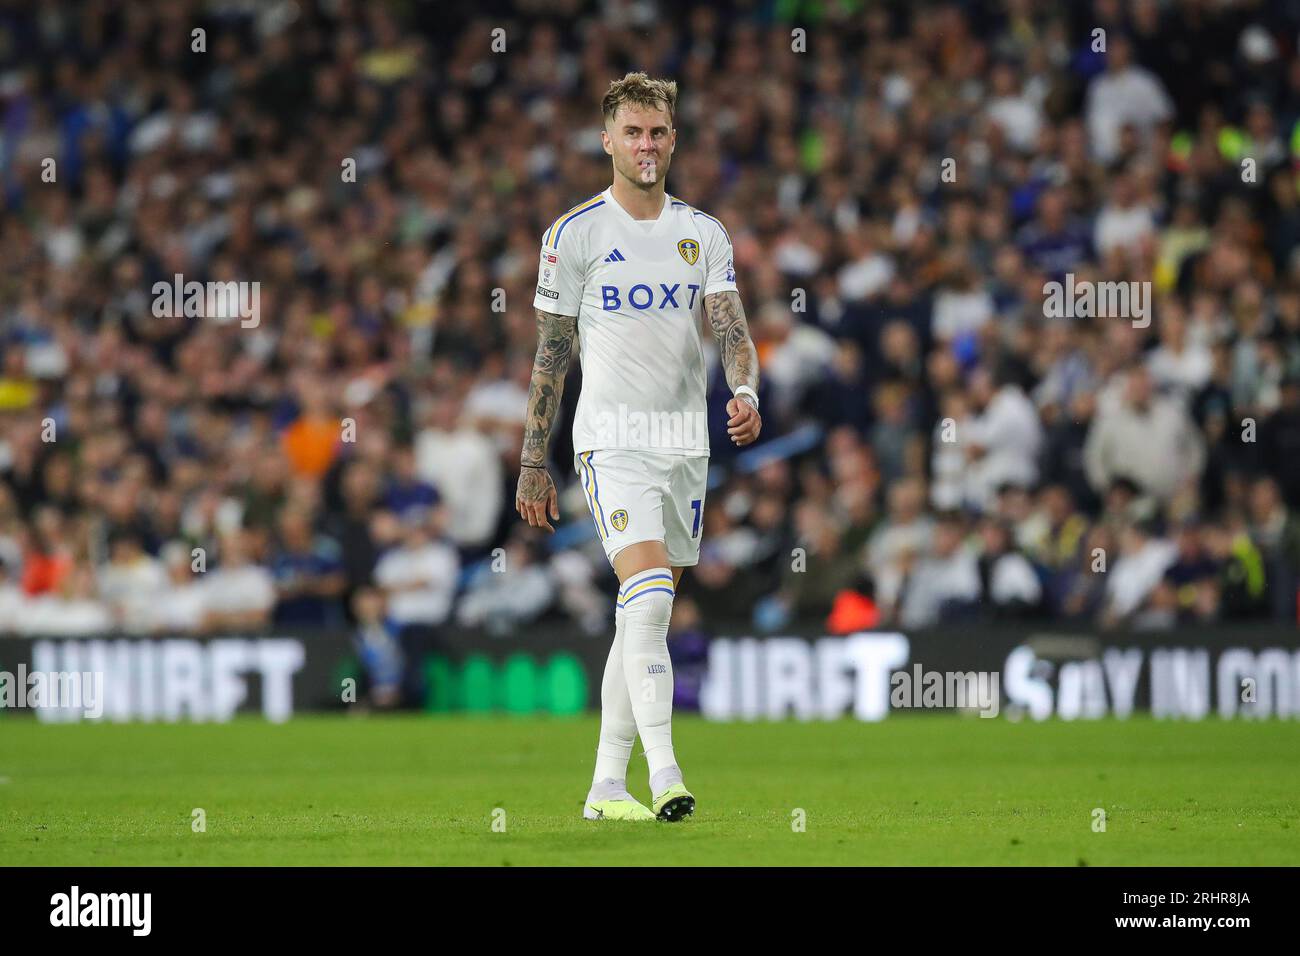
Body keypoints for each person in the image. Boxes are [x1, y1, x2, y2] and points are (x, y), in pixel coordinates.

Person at [516, 73, 761, 823]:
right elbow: (551, 356)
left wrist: (746, 391)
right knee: (649, 594)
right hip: (612, 442)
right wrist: (533, 458)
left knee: (641, 614)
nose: (645, 146)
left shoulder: (704, 233)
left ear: (673, 139)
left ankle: (603, 789)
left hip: (685, 444)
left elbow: (731, 329)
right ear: (607, 141)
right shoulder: (575, 234)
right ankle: (667, 775)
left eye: (657, 133)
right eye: (632, 133)